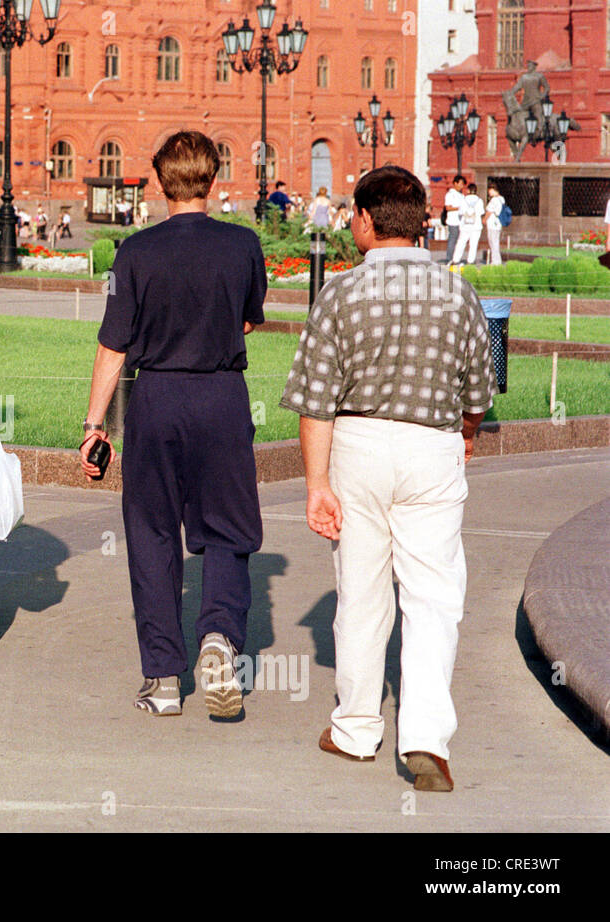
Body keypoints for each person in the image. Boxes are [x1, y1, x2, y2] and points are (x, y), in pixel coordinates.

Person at [279, 164, 497, 793]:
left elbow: (316, 401)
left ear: (368, 222)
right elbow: (478, 390)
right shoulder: (460, 295)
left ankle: (354, 728)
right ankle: (426, 739)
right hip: (433, 447)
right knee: (433, 598)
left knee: (362, 594)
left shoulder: (341, 294)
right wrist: (465, 434)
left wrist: (317, 484)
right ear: (423, 223)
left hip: (359, 446)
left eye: (353, 215)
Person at [80, 130, 266, 719]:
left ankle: (163, 679)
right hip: (220, 395)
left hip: (155, 399)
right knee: (228, 532)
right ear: (213, 179)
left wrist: (95, 426)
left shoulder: (134, 252)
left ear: (160, 182)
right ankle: (218, 637)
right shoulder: (243, 245)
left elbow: (112, 347)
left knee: (153, 534)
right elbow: (246, 325)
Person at [451, 182, 484, 266]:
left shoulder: (463, 200)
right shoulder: (479, 201)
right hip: (476, 226)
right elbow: (481, 213)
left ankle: (456, 259)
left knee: (461, 242)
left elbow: (460, 212)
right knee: (473, 244)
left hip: (465, 225)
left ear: (468, 190)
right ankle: (470, 261)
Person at [442, 175, 466, 264]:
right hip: (453, 221)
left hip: (461, 221)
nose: (462, 186)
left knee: (459, 240)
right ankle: (449, 258)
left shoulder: (462, 195)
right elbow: (448, 207)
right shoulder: (450, 194)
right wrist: (459, 208)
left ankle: (456, 258)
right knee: (453, 239)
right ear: (455, 183)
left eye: (463, 184)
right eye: (460, 184)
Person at [484, 184, 506, 266]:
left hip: (492, 224)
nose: (488, 192)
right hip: (498, 224)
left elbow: (489, 211)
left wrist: (484, 219)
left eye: (489, 190)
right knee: (496, 242)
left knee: (493, 242)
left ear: (493, 189)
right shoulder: (501, 199)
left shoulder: (494, 200)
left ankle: (495, 261)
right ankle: (497, 260)